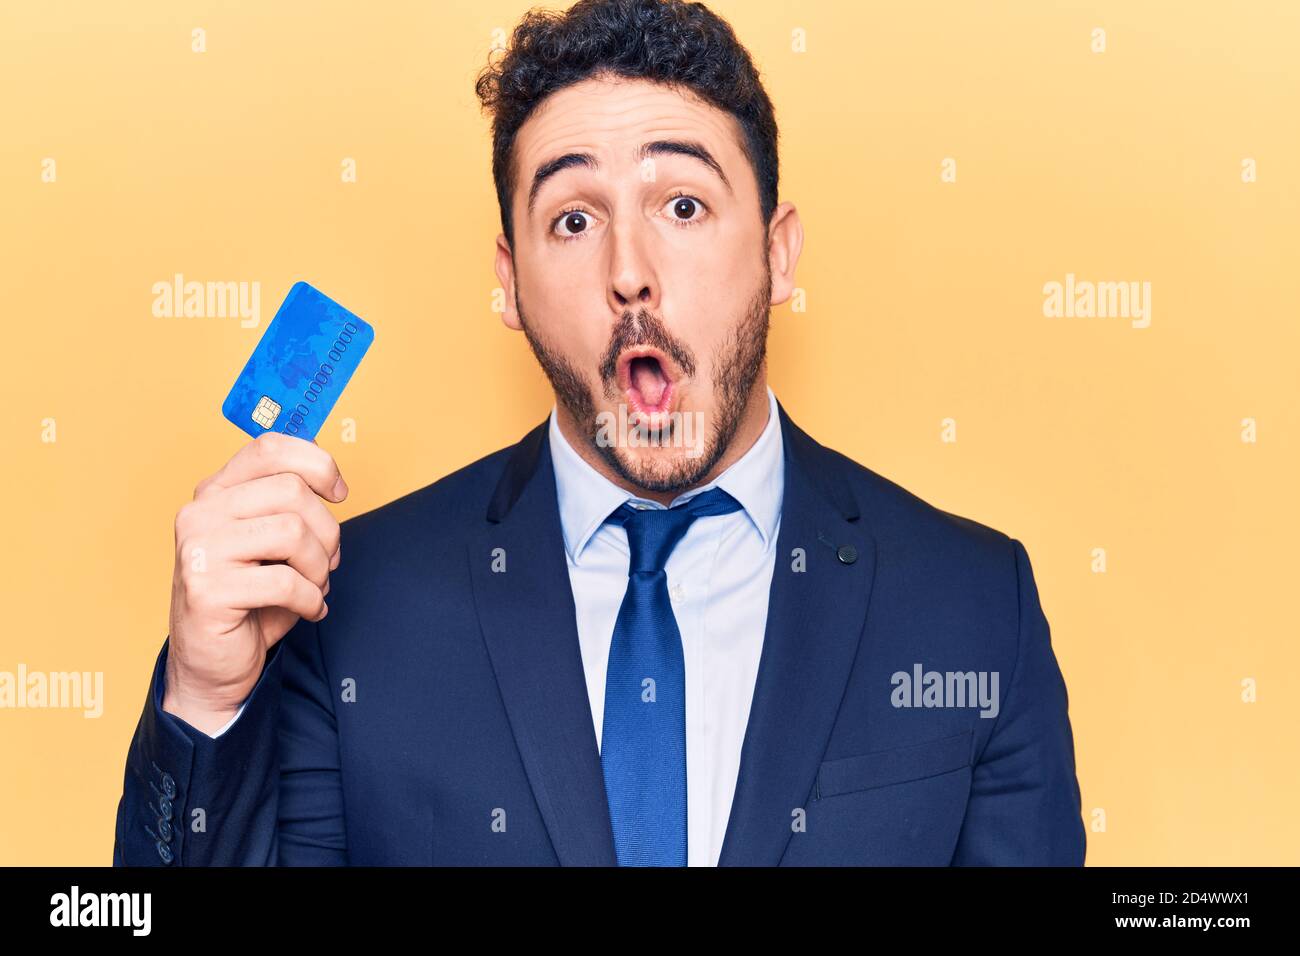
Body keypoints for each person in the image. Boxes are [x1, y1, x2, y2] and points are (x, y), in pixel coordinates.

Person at [113, 0, 1085, 866]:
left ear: (779, 255)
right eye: (573, 219)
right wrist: (206, 698)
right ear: (509, 281)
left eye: (683, 204)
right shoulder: (347, 609)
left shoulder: (970, 604)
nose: (630, 270)